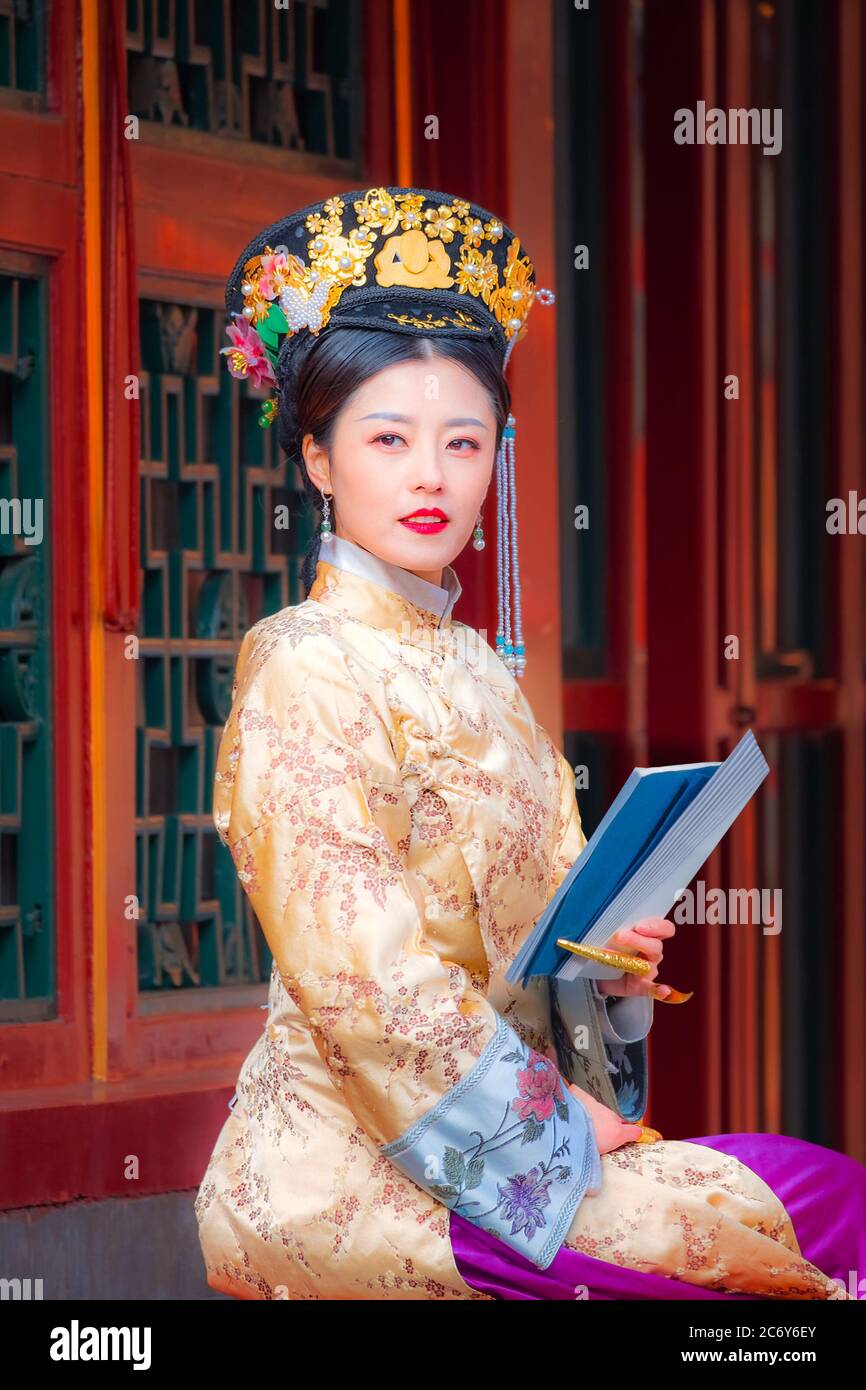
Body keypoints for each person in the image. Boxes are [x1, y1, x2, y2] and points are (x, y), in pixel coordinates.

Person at [194, 186, 865, 1301]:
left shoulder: (479, 672)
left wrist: (605, 973)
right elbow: (364, 982)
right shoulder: (302, 662)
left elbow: (536, 946)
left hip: (511, 1146)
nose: (429, 475)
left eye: (463, 441)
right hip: (360, 1174)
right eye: (388, 438)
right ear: (315, 458)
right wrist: (547, 1123)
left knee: (828, 1195)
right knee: (746, 1281)